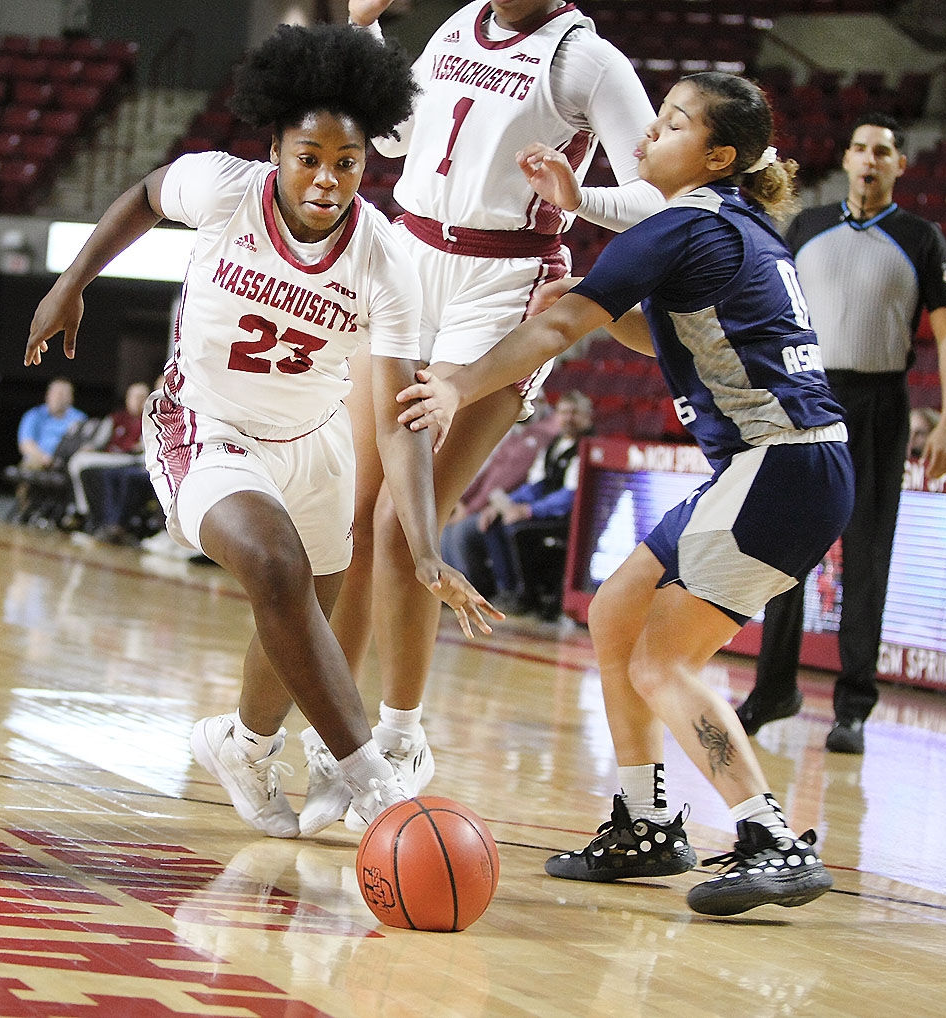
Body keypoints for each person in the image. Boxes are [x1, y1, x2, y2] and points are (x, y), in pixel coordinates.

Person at [23, 23, 499, 840]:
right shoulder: (222, 187)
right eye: (309, 157)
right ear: (276, 148)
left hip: (315, 441)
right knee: (276, 567)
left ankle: (243, 746)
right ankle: (378, 788)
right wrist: (72, 283)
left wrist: (424, 546)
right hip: (205, 422)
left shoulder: (385, 259)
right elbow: (145, 196)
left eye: (347, 162)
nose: (327, 179)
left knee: (303, 611)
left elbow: (398, 413)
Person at [397, 72, 854, 916]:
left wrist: (457, 383)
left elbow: (553, 330)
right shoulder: (732, 221)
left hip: (780, 466)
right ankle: (647, 824)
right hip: (777, 468)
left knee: (661, 661)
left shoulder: (684, 223)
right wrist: (598, 302)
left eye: (673, 124)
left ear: (718, 156)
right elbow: (668, 338)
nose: (647, 133)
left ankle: (771, 837)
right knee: (616, 614)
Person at [312, 0, 664, 830]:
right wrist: (365, 32)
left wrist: (579, 199)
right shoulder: (458, 23)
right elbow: (396, 140)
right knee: (355, 517)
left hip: (502, 282)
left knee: (405, 518)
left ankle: (401, 738)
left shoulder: (586, 59)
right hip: (408, 254)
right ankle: (342, 742)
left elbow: (656, 197)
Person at [736, 113, 946, 755]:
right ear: (846, 158)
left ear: (899, 165)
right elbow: (768, 311)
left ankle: (853, 708)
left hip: (879, 404)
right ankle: (772, 690)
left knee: (866, 553)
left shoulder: (922, 238)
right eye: (861, 148)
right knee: (785, 547)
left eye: (883, 151)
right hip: (807, 394)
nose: (870, 159)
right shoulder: (805, 226)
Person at [453, 389, 592, 615]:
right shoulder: (555, 444)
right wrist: (505, 504)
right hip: (545, 511)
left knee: (517, 530)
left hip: (570, 518)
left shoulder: (587, 446)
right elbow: (536, 484)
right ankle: (505, 589)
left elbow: (570, 496)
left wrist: (529, 510)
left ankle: (527, 595)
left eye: (574, 413)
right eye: (564, 412)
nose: (568, 418)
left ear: (587, 417)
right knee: (496, 521)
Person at [66, 379, 150, 537]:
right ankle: (82, 510)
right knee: (78, 460)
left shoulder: (151, 420)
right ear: (127, 399)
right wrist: (90, 447)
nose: (138, 401)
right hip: (111, 457)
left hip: (133, 459)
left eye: (142, 397)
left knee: (89, 465)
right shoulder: (115, 418)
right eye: (134, 397)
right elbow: (98, 442)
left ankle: (85, 514)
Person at [16, 377, 86, 469]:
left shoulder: (79, 418)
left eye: (64, 394)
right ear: (48, 395)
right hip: (39, 459)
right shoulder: (34, 415)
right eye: (57, 393)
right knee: (30, 463)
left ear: (71, 398)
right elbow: (26, 444)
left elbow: (85, 444)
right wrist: (43, 458)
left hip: (68, 461)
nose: (59, 398)